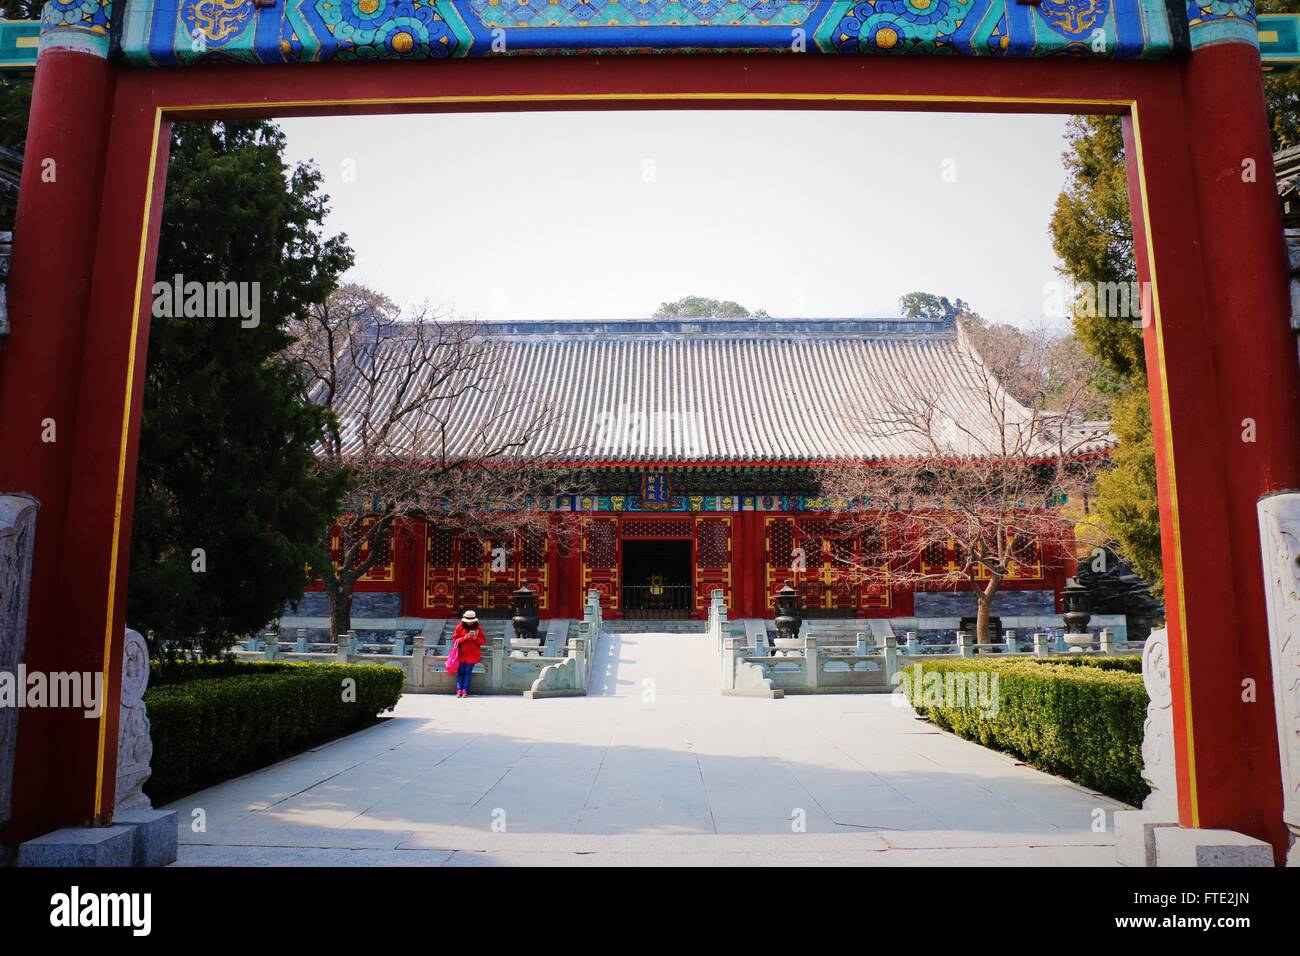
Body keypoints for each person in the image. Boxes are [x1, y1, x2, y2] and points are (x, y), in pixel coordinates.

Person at [451, 610, 486, 698]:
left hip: (473, 655)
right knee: (460, 672)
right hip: (461, 654)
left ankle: (465, 690)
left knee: (467, 672)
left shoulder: (478, 629)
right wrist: (464, 638)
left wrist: (475, 638)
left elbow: (483, 641)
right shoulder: (459, 627)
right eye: (468, 621)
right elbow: (454, 640)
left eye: (471, 621)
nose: (470, 623)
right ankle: (459, 690)